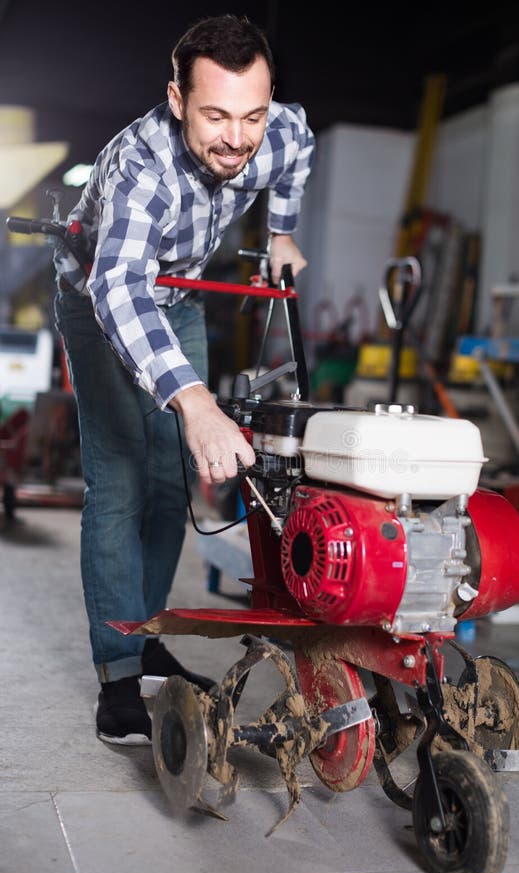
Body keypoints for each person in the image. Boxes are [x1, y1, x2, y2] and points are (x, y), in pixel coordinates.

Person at [53, 14, 315, 745]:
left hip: (182, 292)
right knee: (122, 480)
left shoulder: (277, 133)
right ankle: (118, 675)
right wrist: (194, 401)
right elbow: (122, 292)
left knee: (172, 484)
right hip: (100, 296)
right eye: (214, 116)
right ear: (176, 100)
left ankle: (145, 632)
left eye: (251, 115)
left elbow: (298, 149)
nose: (236, 138)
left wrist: (281, 234)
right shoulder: (142, 168)